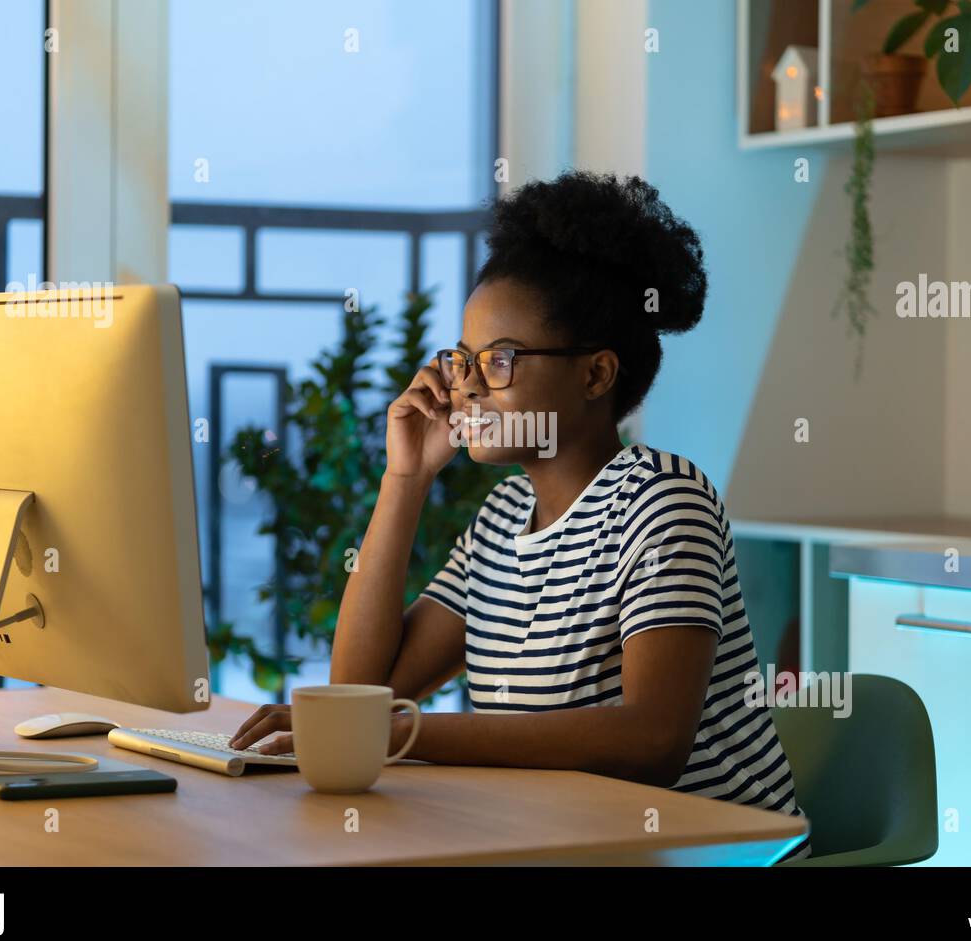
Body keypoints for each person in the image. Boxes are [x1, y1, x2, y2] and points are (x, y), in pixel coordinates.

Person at [231, 170, 811, 863]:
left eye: (500, 359)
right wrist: (405, 479)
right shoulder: (503, 518)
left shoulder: (662, 500)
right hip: (567, 845)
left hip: (709, 854)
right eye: (462, 359)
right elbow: (362, 694)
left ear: (595, 376)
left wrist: (397, 734)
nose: (467, 384)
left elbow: (652, 741)